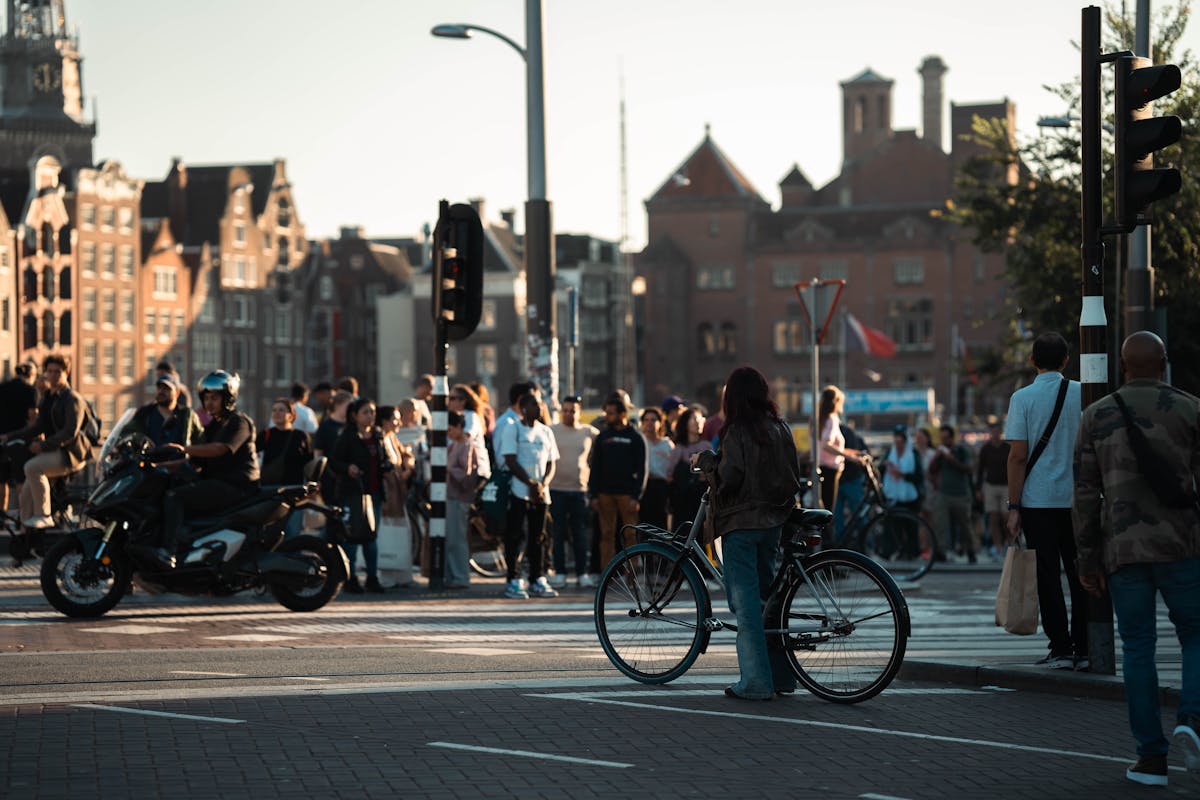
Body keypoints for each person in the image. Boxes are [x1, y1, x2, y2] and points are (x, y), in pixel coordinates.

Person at [1073, 332, 1200, 786]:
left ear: (1122, 366)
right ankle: (1193, 717)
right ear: (1164, 362)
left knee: (1139, 647)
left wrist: (1088, 561)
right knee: (1195, 634)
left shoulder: (1096, 415)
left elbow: (1085, 496)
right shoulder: (1189, 409)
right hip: (1183, 545)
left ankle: (1150, 758)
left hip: (1123, 552)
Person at [699, 365, 802, 701]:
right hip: (773, 522)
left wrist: (708, 466)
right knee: (766, 604)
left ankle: (756, 682)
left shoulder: (736, 431)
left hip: (740, 525)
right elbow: (793, 472)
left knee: (745, 608)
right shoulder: (780, 427)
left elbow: (731, 477)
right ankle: (781, 677)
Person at [1005, 331, 1086, 670]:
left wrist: (1013, 507)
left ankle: (1061, 647)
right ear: (1066, 360)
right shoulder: (1083, 392)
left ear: (1031, 361)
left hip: (1038, 501)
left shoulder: (1022, 398)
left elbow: (1018, 456)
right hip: (1078, 500)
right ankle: (1085, 645)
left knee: (1048, 575)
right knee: (1081, 572)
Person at [141, 371, 259, 569]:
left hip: (237, 486)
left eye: (214, 398)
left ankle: (169, 551)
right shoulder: (214, 426)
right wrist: (154, 467)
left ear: (227, 398)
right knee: (169, 485)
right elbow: (193, 460)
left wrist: (183, 448)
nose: (209, 403)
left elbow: (219, 449)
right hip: (217, 482)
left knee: (174, 497)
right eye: (206, 398)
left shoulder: (239, 422)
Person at [4, 354, 91, 530]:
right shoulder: (47, 397)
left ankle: (45, 515)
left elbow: (69, 432)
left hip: (71, 454)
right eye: (50, 371)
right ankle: (25, 543)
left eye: (58, 372)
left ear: (67, 373)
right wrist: (9, 436)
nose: (53, 375)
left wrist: (42, 445)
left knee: (32, 467)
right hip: (54, 451)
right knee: (25, 497)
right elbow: (37, 427)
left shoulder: (72, 398)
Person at [330, 397, 394, 593]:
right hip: (352, 494)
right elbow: (333, 461)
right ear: (354, 416)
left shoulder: (378, 435)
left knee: (371, 538)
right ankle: (350, 579)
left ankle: (372, 578)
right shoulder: (347, 436)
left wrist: (386, 466)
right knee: (352, 538)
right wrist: (347, 468)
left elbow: (384, 459)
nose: (370, 416)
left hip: (373, 494)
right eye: (365, 412)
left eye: (372, 412)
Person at [499, 393, 560, 599]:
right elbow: (510, 459)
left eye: (540, 404)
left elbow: (551, 462)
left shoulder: (546, 432)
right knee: (515, 535)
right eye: (534, 404)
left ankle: (537, 578)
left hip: (542, 494)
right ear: (523, 408)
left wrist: (543, 484)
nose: (540, 407)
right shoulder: (513, 428)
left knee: (539, 536)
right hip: (519, 491)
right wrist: (530, 483)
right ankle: (514, 579)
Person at [589, 392, 648, 575]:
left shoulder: (636, 437)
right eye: (607, 412)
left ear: (623, 414)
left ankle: (632, 575)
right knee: (606, 535)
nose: (607, 416)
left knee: (630, 535)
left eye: (611, 413)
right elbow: (595, 466)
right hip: (605, 493)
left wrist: (636, 495)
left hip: (627, 494)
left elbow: (642, 469)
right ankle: (608, 575)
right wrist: (593, 494)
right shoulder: (603, 437)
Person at [548, 395, 599, 589]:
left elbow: (600, 451)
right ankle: (559, 572)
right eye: (566, 410)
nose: (569, 413)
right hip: (555, 489)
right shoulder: (552, 431)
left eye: (573, 410)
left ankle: (582, 573)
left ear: (579, 412)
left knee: (580, 533)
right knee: (558, 533)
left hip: (579, 490)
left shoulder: (589, 432)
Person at [929, 424, 975, 563]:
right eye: (941, 438)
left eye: (946, 438)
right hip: (944, 493)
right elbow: (932, 470)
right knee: (940, 524)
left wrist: (952, 460)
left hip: (961, 494)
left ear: (952, 438)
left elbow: (969, 469)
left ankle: (971, 551)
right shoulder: (941, 453)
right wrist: (937, 457)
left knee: (965, 525)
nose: (943, 441)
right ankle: (941, 552)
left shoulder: (961, 450)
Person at [881, 425, 927, 559]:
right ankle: (893, 551)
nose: (898, 442)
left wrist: (902, 474)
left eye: (900, 439)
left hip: (910, 497)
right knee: (893, 526)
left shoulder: (913, 453)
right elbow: (882, 471)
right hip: (893, 495)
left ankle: (911, 552)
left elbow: (919, 476)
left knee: (911, 526)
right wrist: (885, 465)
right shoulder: (890, 453)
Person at [123, 374, 204, 447]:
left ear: (177, 392)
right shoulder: (145, 413)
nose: (161, 391)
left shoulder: (187, 415)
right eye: (159, 388)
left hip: (178, 462)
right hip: (149, 462)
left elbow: (201, 440)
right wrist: (138, 438)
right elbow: (126, 433)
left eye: (166, 388)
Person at [0, 362, 39, 515]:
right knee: (20, 480)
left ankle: (1, 519)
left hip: (1, 439)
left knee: (1, 480)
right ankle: (23, 517)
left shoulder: (2, 388)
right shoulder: (30, 391)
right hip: (19, 440)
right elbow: (33, 417)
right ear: (31, 375)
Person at [444, 410, 477, 588]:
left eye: (450, 429)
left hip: (459, 497)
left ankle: (461, 576)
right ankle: (454, 575)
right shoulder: (454, 445)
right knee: (451, 538)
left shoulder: (466, 445)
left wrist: (449, 468)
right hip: (452, 495)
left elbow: (466, 474)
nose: (448, 433)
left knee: (457, 538)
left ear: (458, 427)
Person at [666, 406, 710, 531]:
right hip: (682, 502)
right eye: (694, 419)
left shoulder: (706, 446)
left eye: (700, 419)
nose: (698, 423)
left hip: (701, 501)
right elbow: (669, 475)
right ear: (685, 423)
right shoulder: (679, 448)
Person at [816, 385, 860, 512]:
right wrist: (848, 457)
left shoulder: (819, 419)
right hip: (830, 469)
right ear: (836, 402)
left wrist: (853, 453)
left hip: (821, 467)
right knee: (829, 512)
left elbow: (824, 446)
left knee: (824, 509)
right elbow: (826, 444)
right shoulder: (831, 419)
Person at [976, 422, 1011, 560]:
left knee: (1006, 517)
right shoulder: (985, 449)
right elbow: (980, 469)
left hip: (1006, 485)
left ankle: (1009, 543)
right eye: (992, 431)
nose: (994, 434)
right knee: (993, 517)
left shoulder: (1007, 448)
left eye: (997, 431)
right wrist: (978, 488)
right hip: (990, 485)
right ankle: (997, 546)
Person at [832, 419, 868, 546]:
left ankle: (842, 547)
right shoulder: (847, 432)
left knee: (840, 518)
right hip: (847, 479)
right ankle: (865, 546)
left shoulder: (843, 432)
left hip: (843, 479)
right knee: (857, 515)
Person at [638, 407, 673, 531]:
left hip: (661, 488)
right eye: (646, 420)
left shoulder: (667, 444)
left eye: (653, 420)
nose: (649, 423)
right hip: (643, 487)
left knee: (660, 525)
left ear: (660, 423)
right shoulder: (639, 442)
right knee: (643, 525)